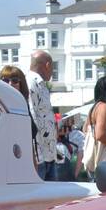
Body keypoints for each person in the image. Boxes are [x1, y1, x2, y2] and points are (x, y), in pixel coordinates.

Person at [27, 51, 58, 179]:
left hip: (47, 153)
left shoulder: (40, 84)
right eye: (52, 68)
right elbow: (33, 116)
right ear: (47, 65)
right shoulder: (32, 83)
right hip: (40, 154)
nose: (52, 72)